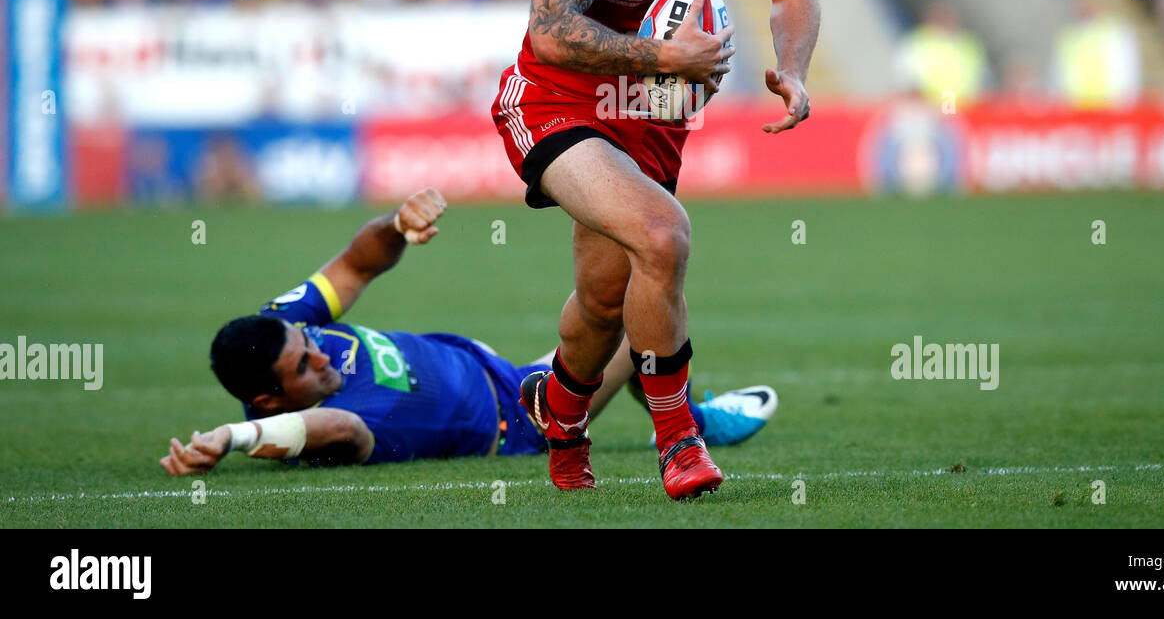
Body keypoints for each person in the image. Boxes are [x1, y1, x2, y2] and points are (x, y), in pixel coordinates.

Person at [491, 0, 819, 498]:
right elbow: (553, 31)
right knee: (663, 235)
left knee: (604, 303)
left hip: (649, 117)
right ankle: (680, 444)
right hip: (554, 102)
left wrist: (793, 70)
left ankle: (559, 416)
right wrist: (670, 60)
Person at [159, 188, 776, 476]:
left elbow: (356, 264)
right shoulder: (326, 432)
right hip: (523, 418)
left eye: (309, 343)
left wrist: (397, 227)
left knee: (635, 288)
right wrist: (233, 436)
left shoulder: (285, 329)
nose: (319, 355)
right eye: (303, 368)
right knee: (633, 302)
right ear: (267, 400)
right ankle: (689, 425)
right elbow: (337, 426)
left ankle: (681, 414)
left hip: (507, 372)